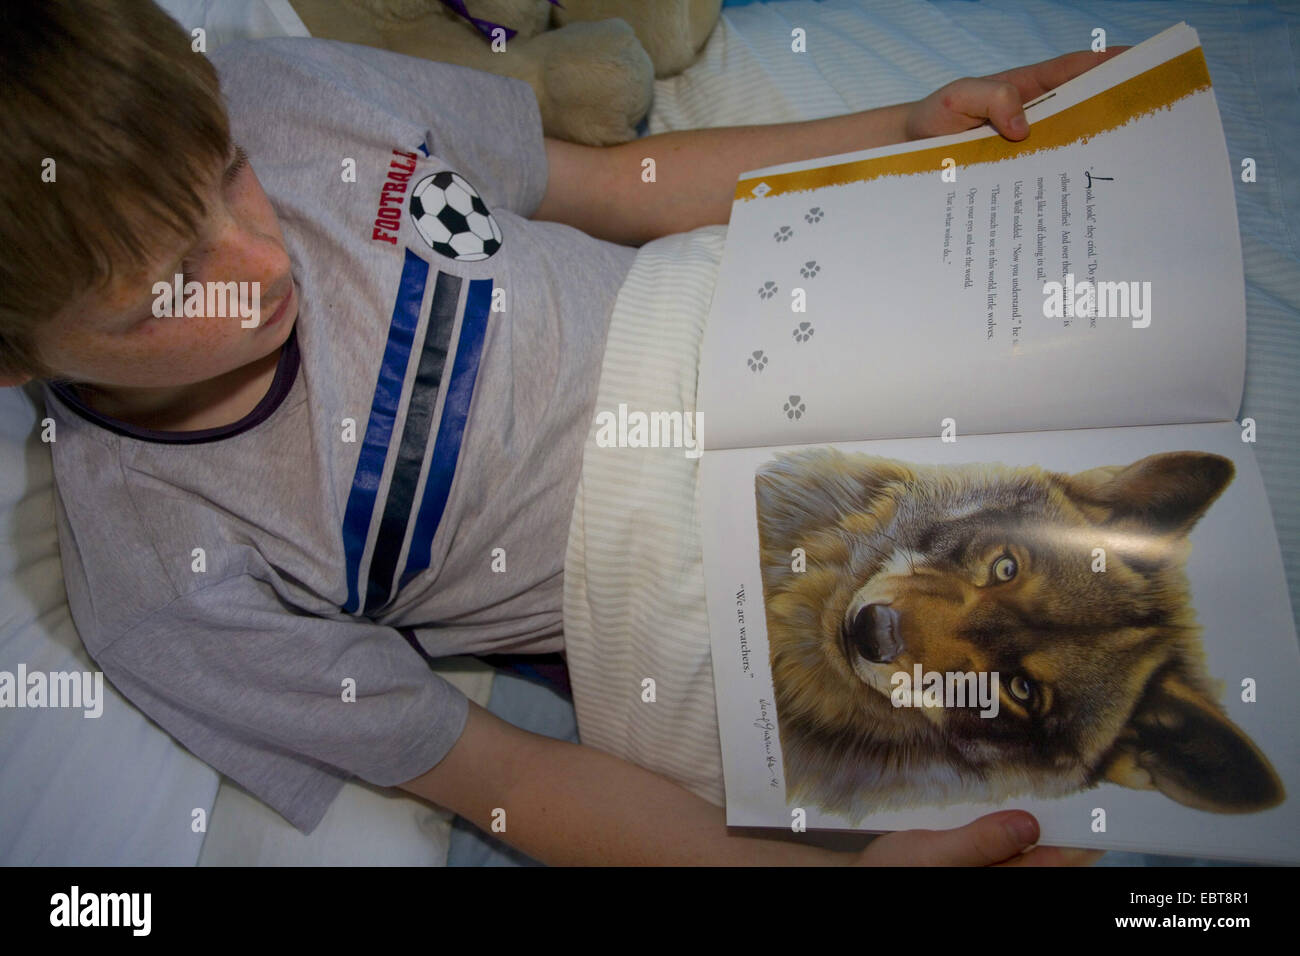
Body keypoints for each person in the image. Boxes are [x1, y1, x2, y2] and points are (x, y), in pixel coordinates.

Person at [0, 0, 1117, 865]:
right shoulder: (164, 583)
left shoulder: (274, 92)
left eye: (229, 178)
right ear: (19, 361)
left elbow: (604, 184)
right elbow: (509, 778)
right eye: (166, 291)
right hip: (669, 578)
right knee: (1070, 705)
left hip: (723, 308)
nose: (264, 258)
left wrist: (903, 135)